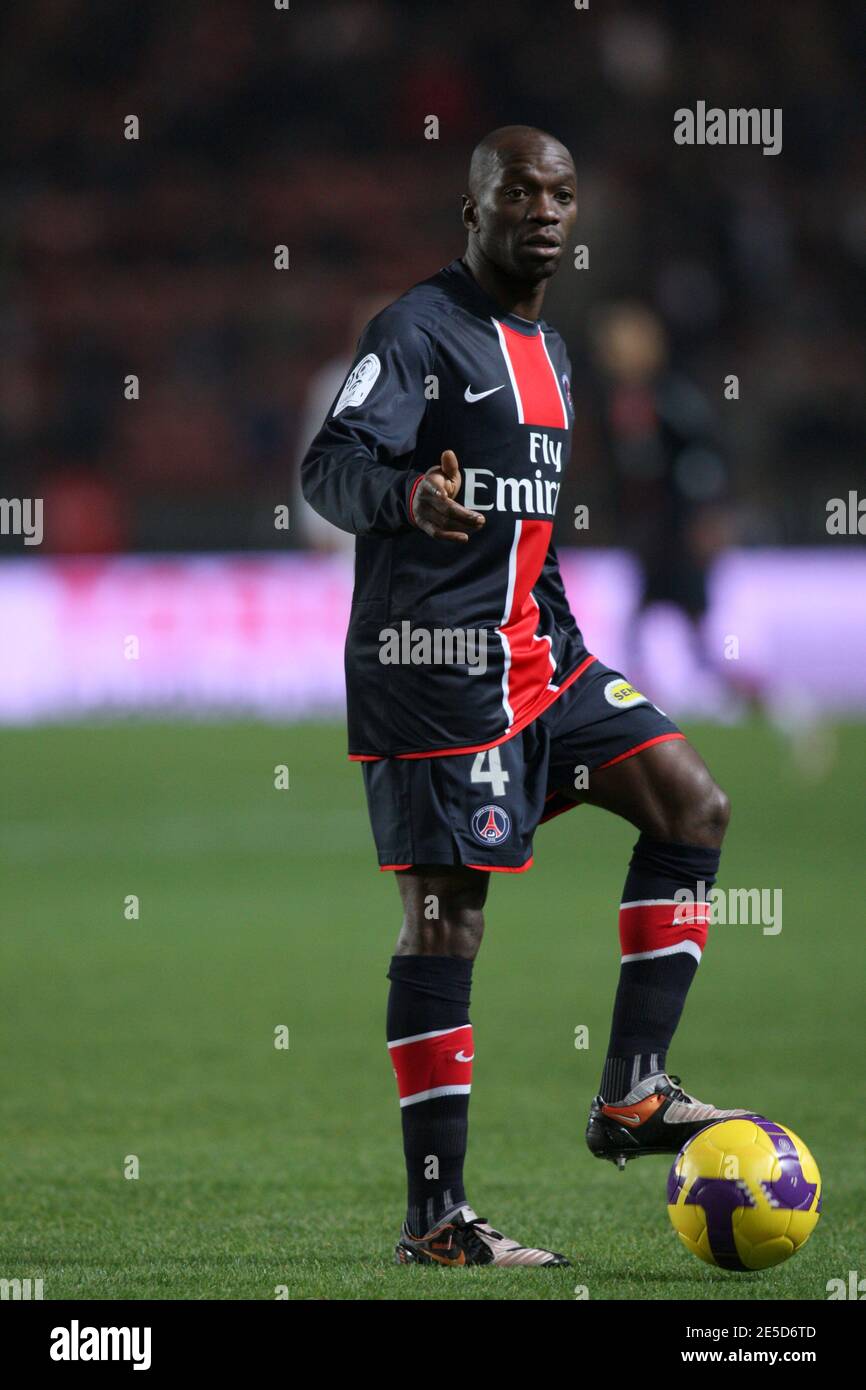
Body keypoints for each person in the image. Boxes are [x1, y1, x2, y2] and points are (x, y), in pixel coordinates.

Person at [301, 125, 748, 1269]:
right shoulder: (416, 330)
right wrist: (409, 497)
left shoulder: (548, 350)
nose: (542, 211)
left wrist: (572, 656)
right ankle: (436, 1220)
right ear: (474, 208)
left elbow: (532, 537)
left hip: (537, 662)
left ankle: (633, 1095)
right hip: (432, 674)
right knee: (448, 921)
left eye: (559, 193)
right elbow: (329, 466)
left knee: (690, 805)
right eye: (517, 192)